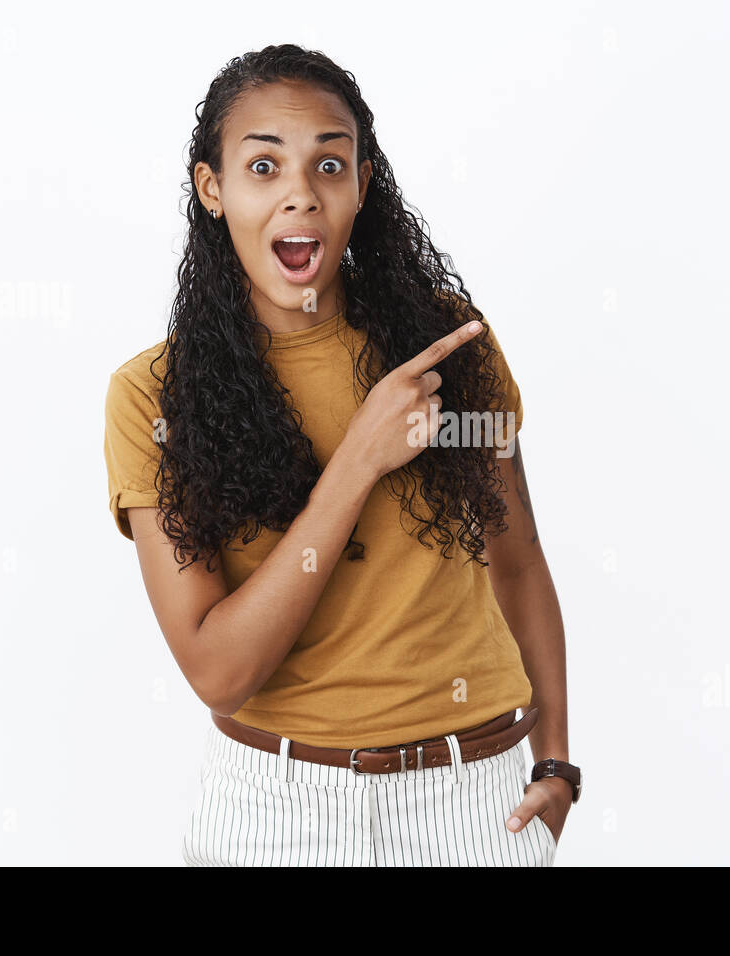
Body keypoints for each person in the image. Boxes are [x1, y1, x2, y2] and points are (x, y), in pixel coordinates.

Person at [102, 44, 580, 866]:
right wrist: (358, 458)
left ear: (362, 184)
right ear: (211, 189)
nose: (300, 194)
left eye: (330, 163)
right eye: (263, 166)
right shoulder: (154, 396)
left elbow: (521, 559)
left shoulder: (446, 344)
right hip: (275, 811)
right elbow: (219, 672)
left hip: (474, 803)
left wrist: (558, 765)